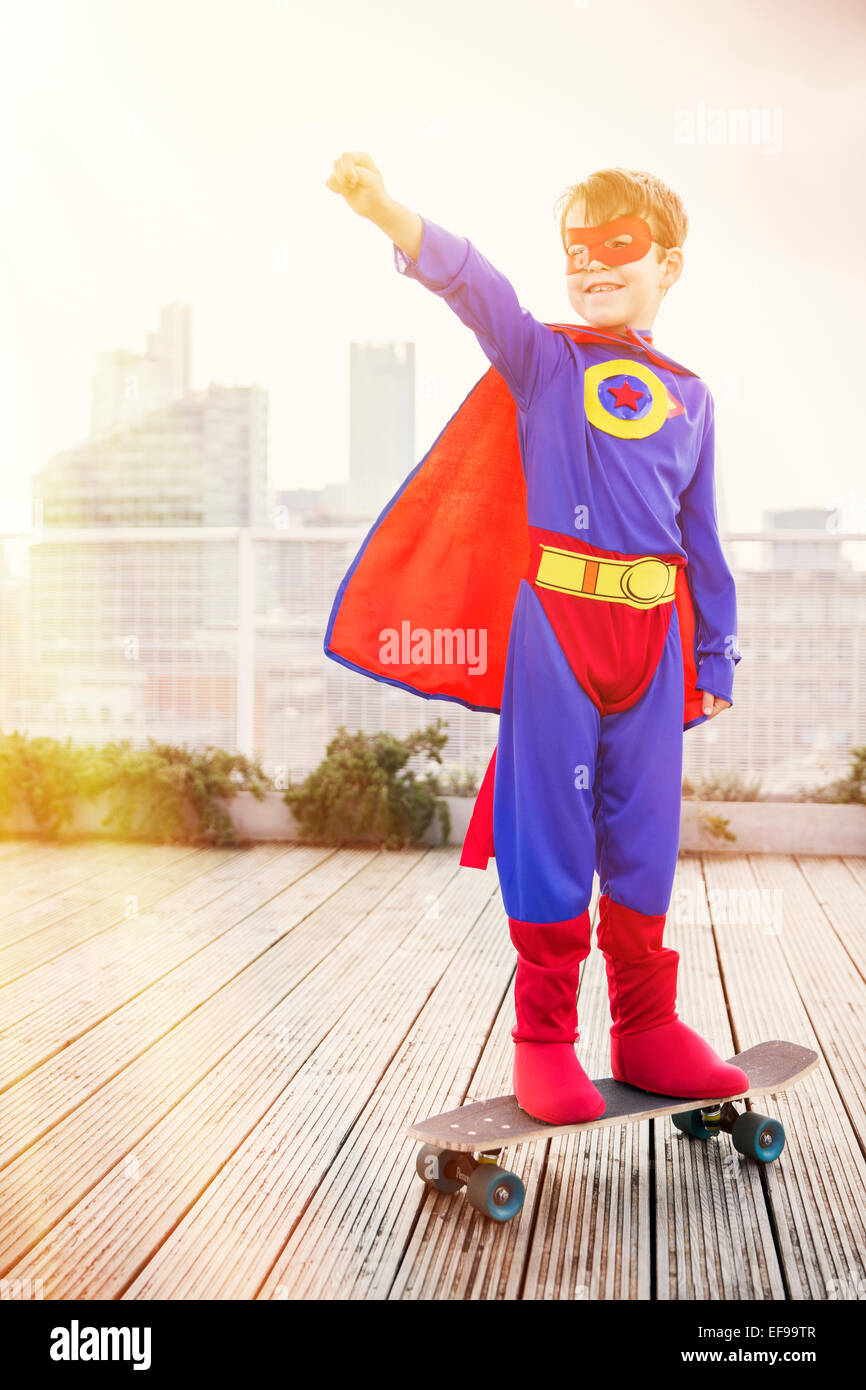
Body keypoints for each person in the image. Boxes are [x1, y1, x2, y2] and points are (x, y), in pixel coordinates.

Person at [324, 150, 749, 1125]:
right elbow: (479, 289)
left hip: (651, 638)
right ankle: (542, 1040)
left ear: (667, 263)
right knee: (549, 834)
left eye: (618, 246)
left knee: (642, 838)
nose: (594, 264)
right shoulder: (543, 362)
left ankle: (646, 1028)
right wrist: (387, 210)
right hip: (555, 629)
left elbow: (703, 535)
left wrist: (714, 651)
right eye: (578, 250)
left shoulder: (689, 396)